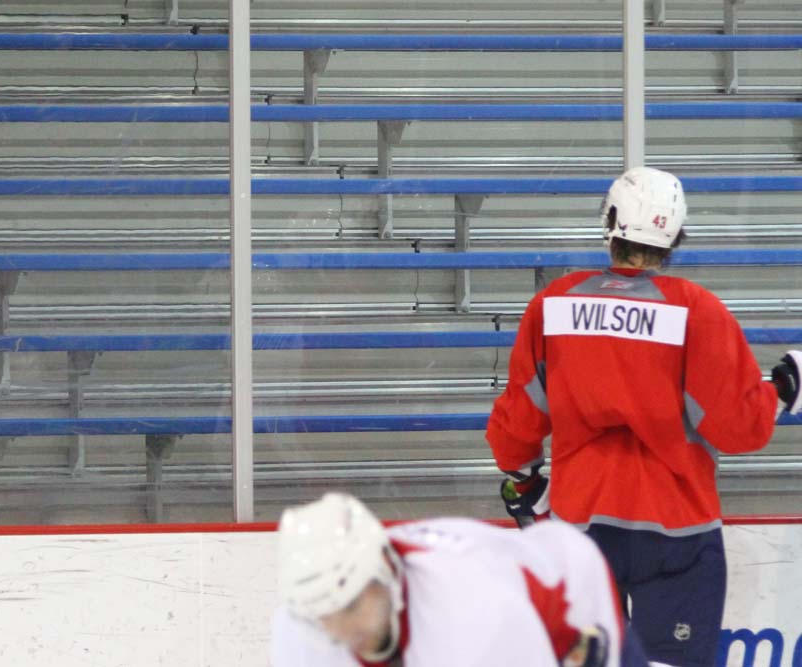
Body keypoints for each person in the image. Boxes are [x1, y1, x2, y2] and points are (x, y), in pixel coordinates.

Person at [485, 166, 802, 667]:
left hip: (580, 524)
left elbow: (518, 421)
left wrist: (523, 476)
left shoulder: (555, 304)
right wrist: (785, 388)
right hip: (676, 528)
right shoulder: (697, 311)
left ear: (609, 223)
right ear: (675, 234)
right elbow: (737, 426)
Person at [271, 492, 650, 667]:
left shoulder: (471, 616)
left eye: (352, 604)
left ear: (385, 571)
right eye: (325, 615)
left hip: (568, 616)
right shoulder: (299, 632)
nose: (342, 628)